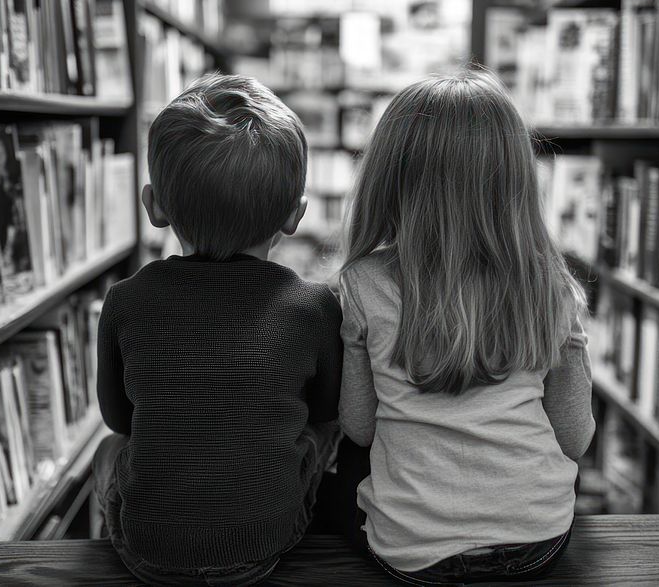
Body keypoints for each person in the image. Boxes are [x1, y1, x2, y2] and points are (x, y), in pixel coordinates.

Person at [338, 70, 595, 585]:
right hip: (537, 540)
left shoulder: (362, 283)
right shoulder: (549, 285)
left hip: (411, 551)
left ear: (388, 178)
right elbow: (574, 438)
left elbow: (359, 428)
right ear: (516, 181)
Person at [93, 73, 343, 586]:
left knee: (106, 451)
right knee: (320, 437)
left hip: (148, 552)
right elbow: (325, 411)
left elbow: (118, 417)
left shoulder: (126, 301)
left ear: (153, 206)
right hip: (265, 546)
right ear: (295, 216)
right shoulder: (313, 307)